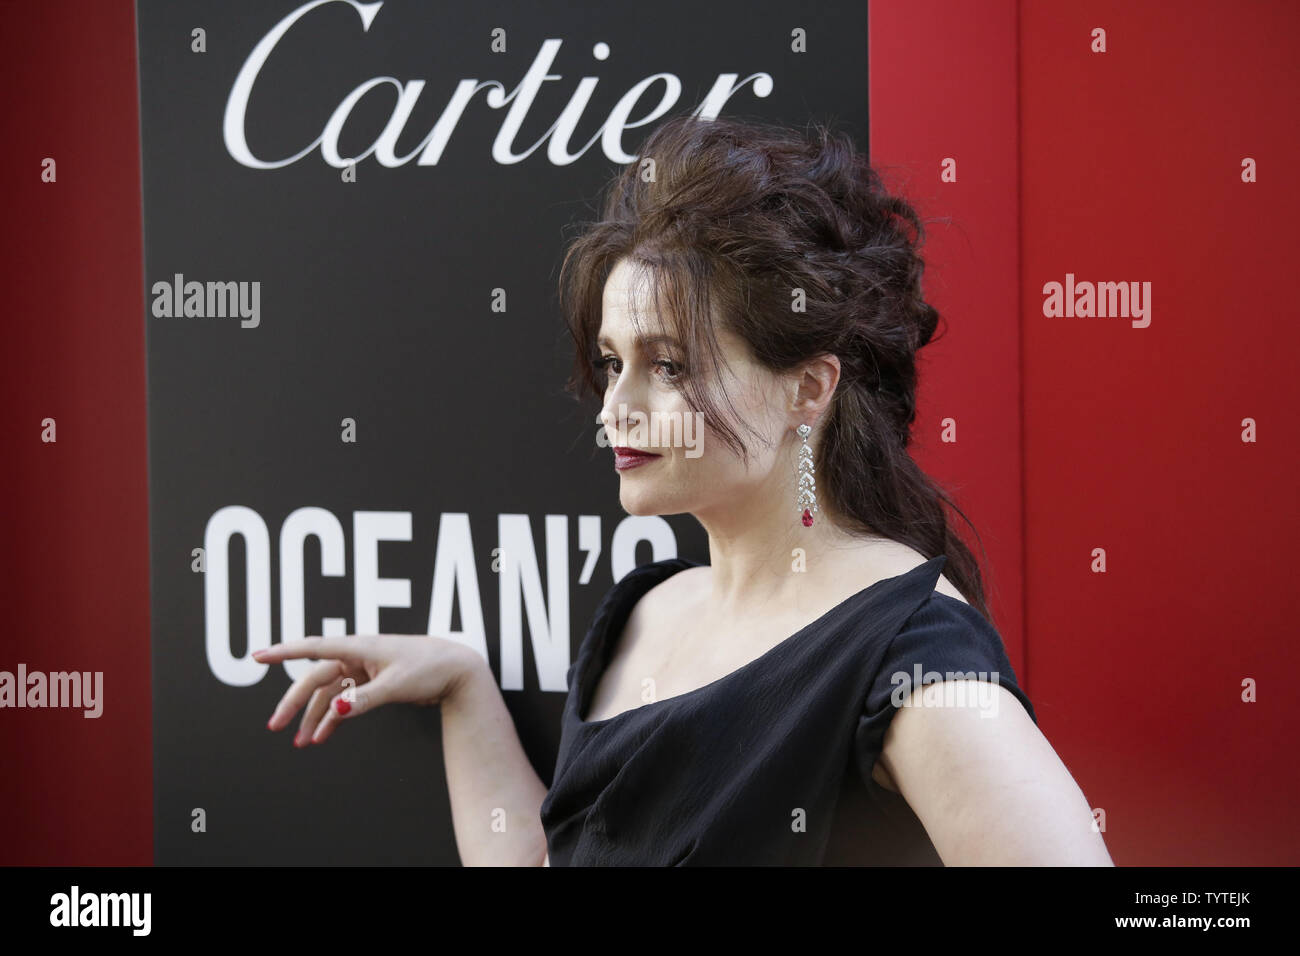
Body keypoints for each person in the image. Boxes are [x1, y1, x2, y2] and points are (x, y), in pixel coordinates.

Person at [252, 112, 1114, 866]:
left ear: (807, 389)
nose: (616, 410)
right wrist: (464, 687)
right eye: (611, 363)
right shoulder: (645, 611)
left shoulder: (908, 651)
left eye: (668, 366)